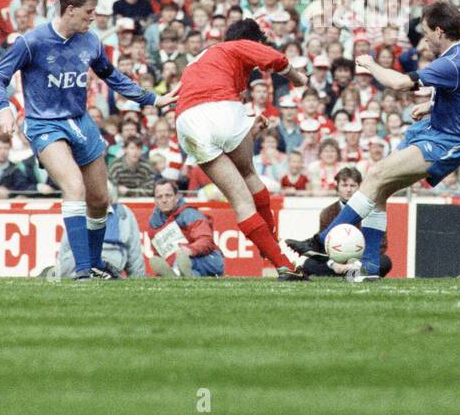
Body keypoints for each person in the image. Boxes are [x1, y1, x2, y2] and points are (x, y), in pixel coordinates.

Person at [0, 0, 176, 280]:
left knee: (100, 199)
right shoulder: (32, 42)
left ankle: (94, 262)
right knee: (74, 186)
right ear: (71, 10)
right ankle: (82, 270)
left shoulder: (91, 42)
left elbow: (113, 77)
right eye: (89, 11)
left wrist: (153, 98)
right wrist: (4, 108)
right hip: (44, 124)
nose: (93, 17)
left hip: (80, 121)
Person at [301, 1, 460, 280]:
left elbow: (398, 83)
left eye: (426, 32)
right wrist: (432, 106)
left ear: (438, 31)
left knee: (376, 174)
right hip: (435, 131)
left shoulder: (452, 62)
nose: (424, 39)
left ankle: (321, 242)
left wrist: (370, 64)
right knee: (381, 191)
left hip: (446, 142)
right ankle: (371, 266)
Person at [170, 17, 309, 281]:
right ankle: (274, 247)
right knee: (248, 176)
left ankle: (279, 260)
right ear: (250, 41)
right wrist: (299, 79)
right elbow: (276, 59)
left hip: (187, 123)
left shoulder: (199, 61)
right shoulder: (235, 47)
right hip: (220, 109)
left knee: (240, 201)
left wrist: (249, 130)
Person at [287, 166, 392, 277]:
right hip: (336, 261)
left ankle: (355, 271)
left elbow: (381, 244)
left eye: (353, 185)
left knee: (385, 261)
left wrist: (355, 263)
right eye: (344, 185)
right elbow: (323, 248)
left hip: (362, 260)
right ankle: (349, 273)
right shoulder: (327, 212)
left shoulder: (373, 212)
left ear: (361, 188)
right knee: (309, 264)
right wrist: (334, 264)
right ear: (337, 188)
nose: (349, 190)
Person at [144, 179, 225, 278]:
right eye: (159, 197)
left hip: (208, 259)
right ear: (155, 200)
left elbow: (206, 240)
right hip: (180, 262)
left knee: (184, 261)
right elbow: (160, 253)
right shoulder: (153, 224)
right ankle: (181, 275)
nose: (164, 200)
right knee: (186, 269)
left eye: (168, 195)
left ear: (176, 196)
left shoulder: (189, 214)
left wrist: (189, 250)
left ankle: (175, 274)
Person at [56, 198, 146, 279]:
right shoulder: (77, 215)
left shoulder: (123, 214)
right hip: (76, 262)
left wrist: (139, 277)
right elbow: (65, 249)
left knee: (104, 266)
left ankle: (96, 273)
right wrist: (58, 271)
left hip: (108, 262)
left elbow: (134, 253)